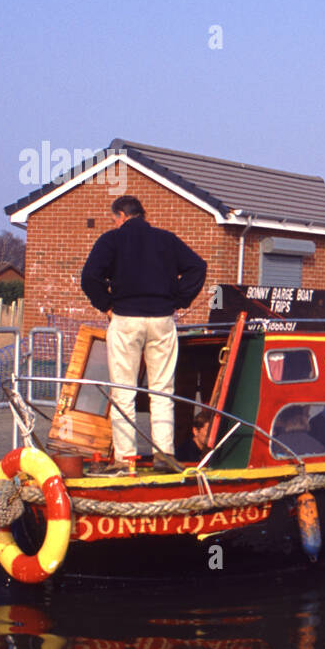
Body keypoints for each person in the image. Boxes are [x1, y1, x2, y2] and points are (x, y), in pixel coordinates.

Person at [81, 195, 206, 473]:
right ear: (142, 214)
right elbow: (198, 267)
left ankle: (126, 460)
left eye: (114, 218)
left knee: (123, 391)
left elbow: (89, 277)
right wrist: (179, 300)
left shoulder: (111, 240)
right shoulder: (166, 240)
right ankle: (164, 455)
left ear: (121, 216)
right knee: (162, 391)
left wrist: (107, 305)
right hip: (162, 320)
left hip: (126, 319)